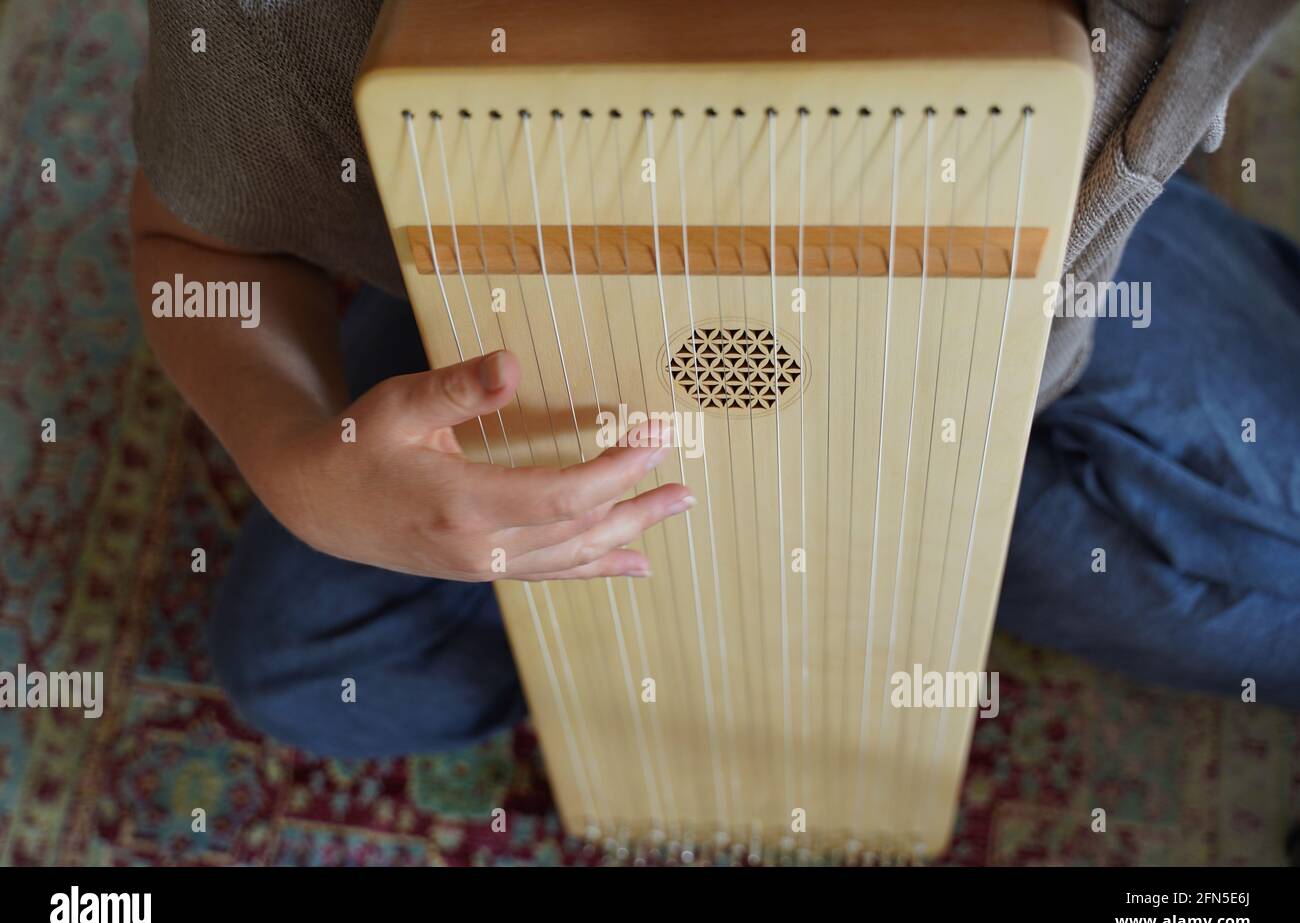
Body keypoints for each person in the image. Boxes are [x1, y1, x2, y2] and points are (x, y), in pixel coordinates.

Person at [129, 0, 1297, 757]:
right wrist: (298, 460)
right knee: (301, 660)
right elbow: (193, 249)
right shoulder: (281, 30)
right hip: (554, 326)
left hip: (1023, 295)